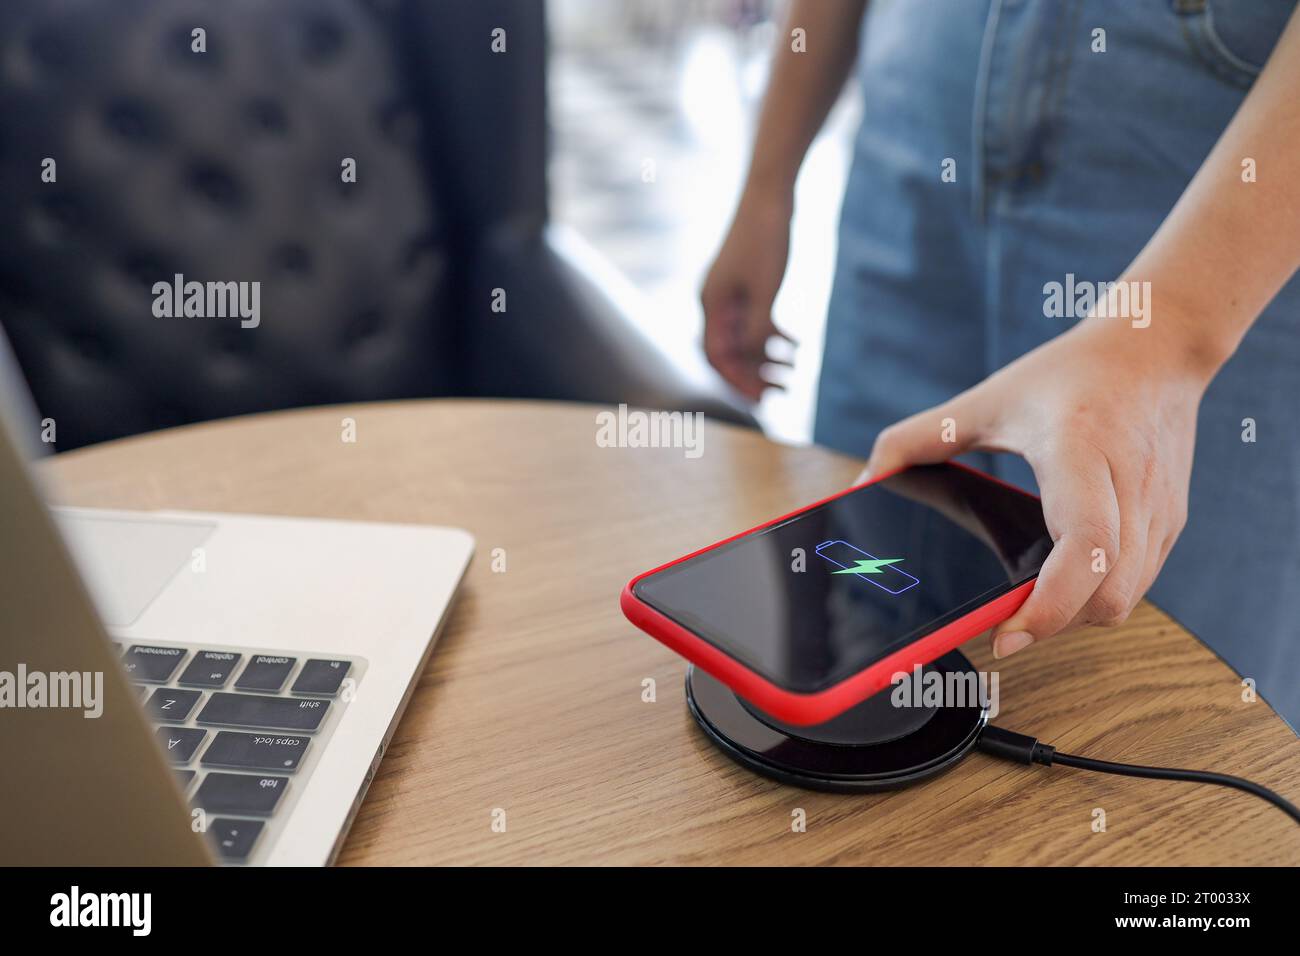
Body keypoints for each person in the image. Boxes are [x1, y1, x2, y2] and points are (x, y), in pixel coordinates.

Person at [702, 0, 1300, 728]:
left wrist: (1172, 331)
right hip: (916, 115)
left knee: (1148, 723)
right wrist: (768, 181)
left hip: (1215, 167)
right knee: (853, 636)